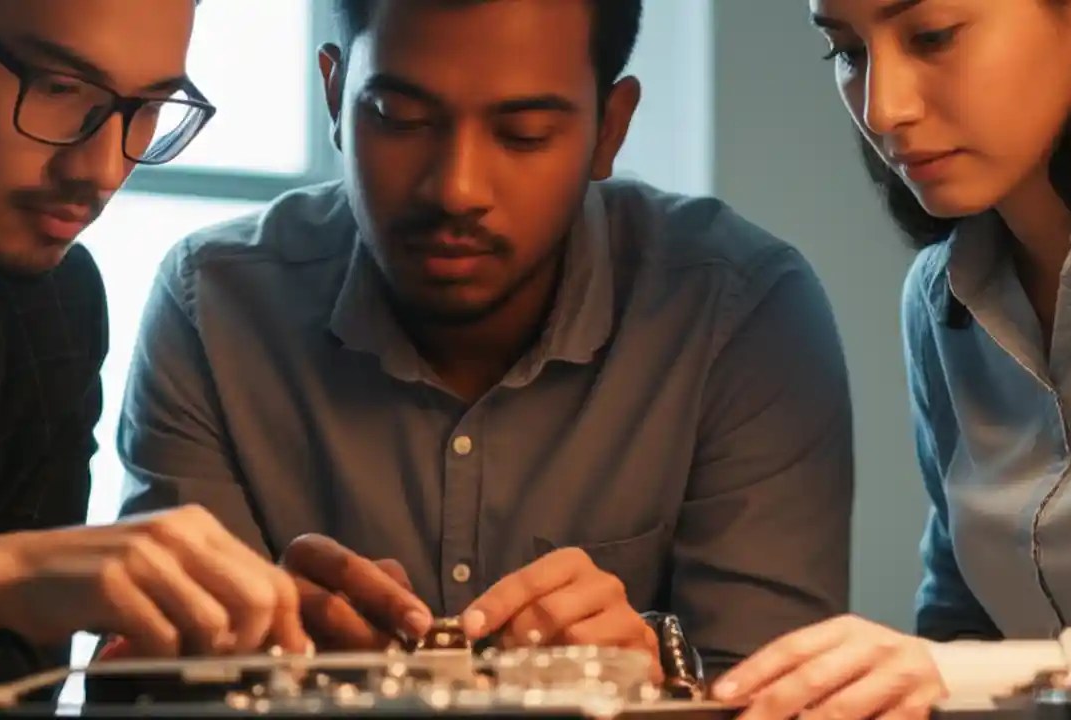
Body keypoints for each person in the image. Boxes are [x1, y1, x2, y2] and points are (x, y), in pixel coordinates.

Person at [118, 0, 854, 682]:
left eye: (524, 134)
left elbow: (775, 692)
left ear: (611, 128)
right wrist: (268, 658)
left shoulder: (740, 311)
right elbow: (155, 681)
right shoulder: (211, 305)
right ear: (335, 97)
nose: (456, 189)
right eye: (400, 118)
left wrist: (658, 676)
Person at [0, 0, 305, 716]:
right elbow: (5, 595)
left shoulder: (52, 309)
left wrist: (209, 644)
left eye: (150, 107)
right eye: (58, 89)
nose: (103, 168)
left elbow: (2, 682)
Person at [712, 1, 1071, 717]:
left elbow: (957, 666)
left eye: (933, 36)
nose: (882, 109)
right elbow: (957, 627)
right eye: (847, 54)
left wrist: (964, 676)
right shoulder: (940, 302)